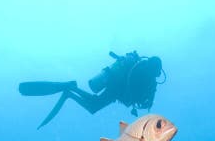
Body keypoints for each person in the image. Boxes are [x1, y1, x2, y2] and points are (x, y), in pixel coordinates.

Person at [19, 51, 165, 128]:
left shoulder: (144, 72)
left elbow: (139, 97)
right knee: (93, 106)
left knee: (93, 105)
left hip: (116, 88)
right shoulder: (145, 74)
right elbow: (137, 95)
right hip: (116, 88)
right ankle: (70, 90)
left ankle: (70, 90)